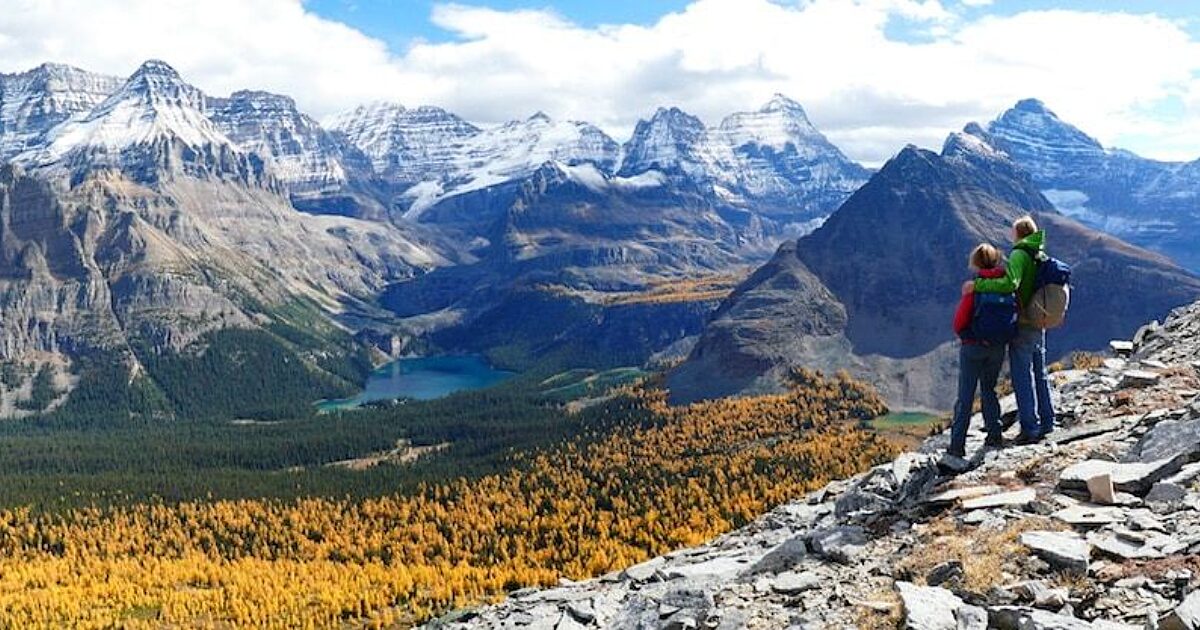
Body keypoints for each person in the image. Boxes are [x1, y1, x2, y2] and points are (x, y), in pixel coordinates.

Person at [970, 216, 1056, 444]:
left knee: (1022, 376)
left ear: (1018, 233)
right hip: (1041, 321)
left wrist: (978, 285)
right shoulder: (1040, 253)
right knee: (1040, 373)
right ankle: (1048, 422)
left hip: (1025, 322)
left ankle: (1029, 428)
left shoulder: (1020, 253)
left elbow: (1011, 283)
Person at [947, 243, 1009, 458]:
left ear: (976, 263)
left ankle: (957, 447)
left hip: (973, 347)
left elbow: (959, 322)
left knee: (965, 397)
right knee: (989, 390)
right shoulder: (1005, 284)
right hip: (998, 347)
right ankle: (994, 435)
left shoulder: (975, 287)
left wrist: (966, 335)